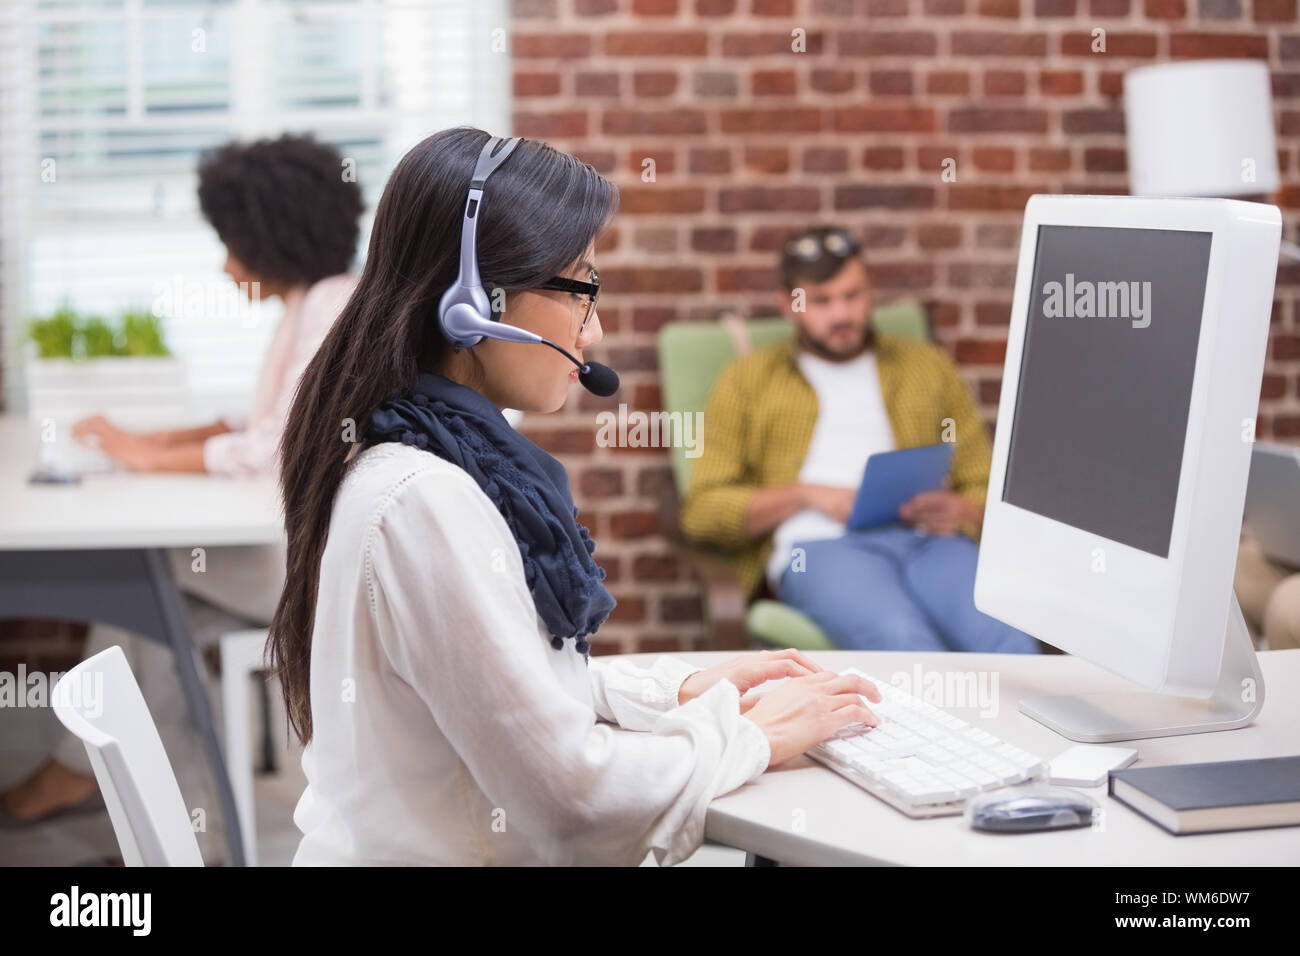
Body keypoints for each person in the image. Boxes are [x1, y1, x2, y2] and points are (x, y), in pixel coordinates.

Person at [269, 127, 882, 867]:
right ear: (473, 301)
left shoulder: (416, 456)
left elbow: (512, 690)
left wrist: (683, 690)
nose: (592, 332)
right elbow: (573, 804)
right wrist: (750, 733)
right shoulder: (423, 499)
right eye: (577, 289)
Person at [0, 135, 362, 862]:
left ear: (269, 236)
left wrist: (141, 456)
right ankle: (182, 834)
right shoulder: (313, 303)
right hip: (289, 554)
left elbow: (271, 451)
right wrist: (149, 439)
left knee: (141, 587)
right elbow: (261, 425)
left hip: (299, 570)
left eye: (231, 242)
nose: (226, 264)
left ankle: (108, 794)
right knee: (143, 619)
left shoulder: (329, 307)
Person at [680, 226, 1040, 654]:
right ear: (788, 304)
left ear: (871, 292)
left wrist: (960, 509)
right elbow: (702, 512)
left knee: (1011, 638)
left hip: (931, 541)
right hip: (819, 547)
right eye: (822, 300)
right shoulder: (747, 381)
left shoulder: (926, 367)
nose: (842, 316)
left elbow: (985, 483)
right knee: (905, 645)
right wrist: (805, 495)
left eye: (853, 296)